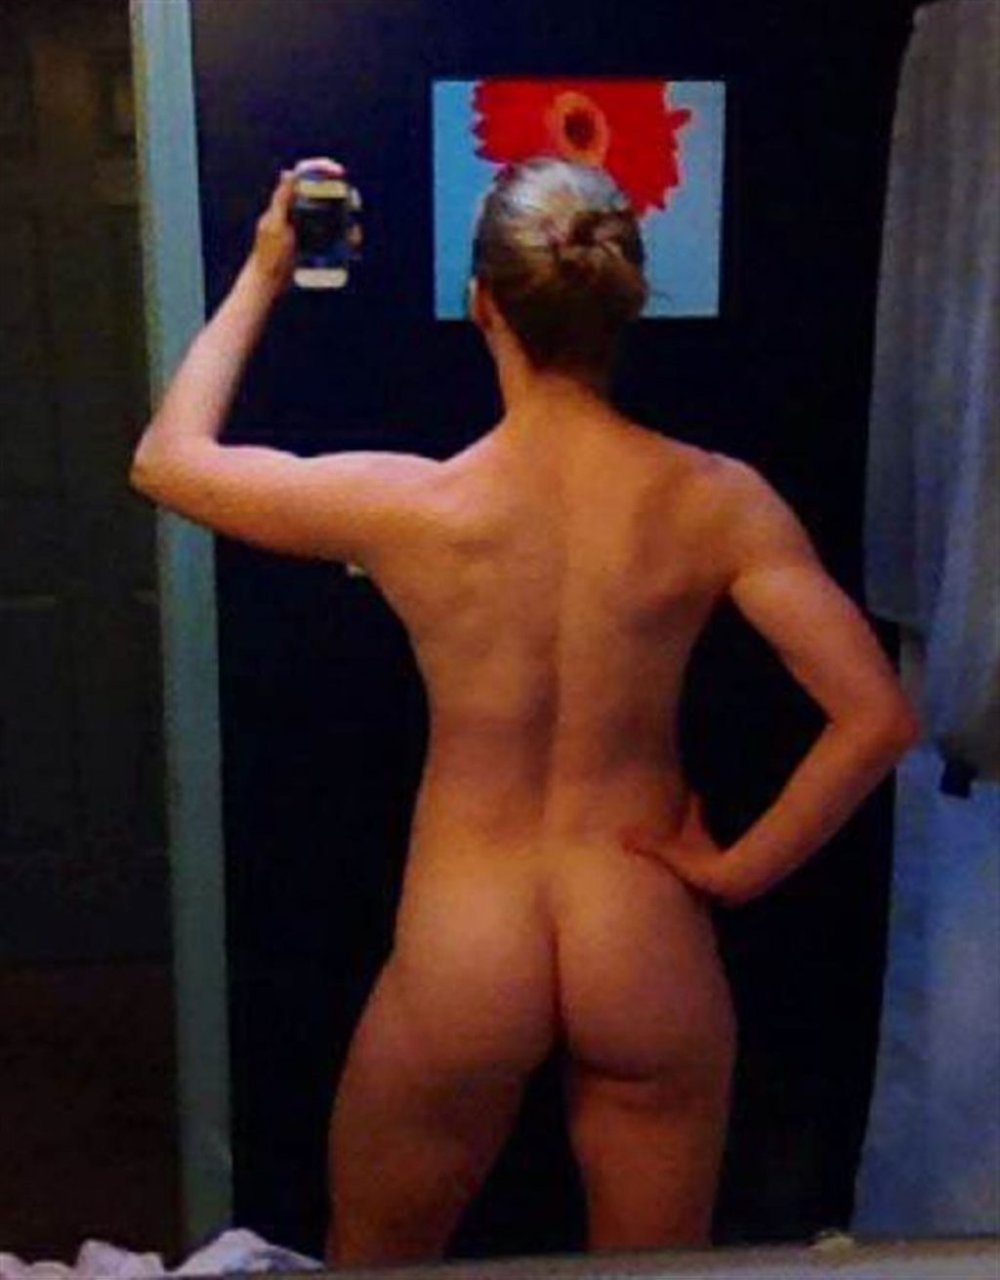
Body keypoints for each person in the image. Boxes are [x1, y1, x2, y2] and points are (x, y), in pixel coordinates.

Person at [131, 156, 921, 1265]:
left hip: (469, 931)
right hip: (637, 923)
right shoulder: (718, 500)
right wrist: (740, 869)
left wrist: (268, 269)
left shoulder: (415, 505)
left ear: (483, 305)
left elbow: (168, 462)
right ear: (625, 302)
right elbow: (876, 717)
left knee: (376, 1255)